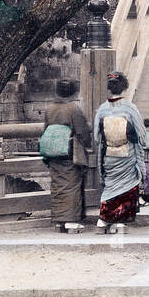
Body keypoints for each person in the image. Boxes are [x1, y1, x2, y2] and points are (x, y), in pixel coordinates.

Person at [93, 72, 147, 233]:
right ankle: (119, 222)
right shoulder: (130, 108)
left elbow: (96, 135)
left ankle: (103, 221)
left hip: (109, 154)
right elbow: (141, 134)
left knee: (110, 186)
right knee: (127, 186)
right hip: (127, 154)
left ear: (110, 88)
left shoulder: (102, 109)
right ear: (124, 87)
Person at [40, 78, 93, 232]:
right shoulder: (73, 109)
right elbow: (82, 131)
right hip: (69, 151)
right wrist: (88, 143)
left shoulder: (50, 109)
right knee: (72, 185)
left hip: (53, 152)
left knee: (58, 185)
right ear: (72, 91)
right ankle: (70, 220)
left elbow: (45, 129)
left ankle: (59, 220)